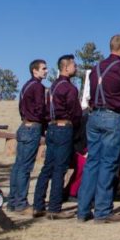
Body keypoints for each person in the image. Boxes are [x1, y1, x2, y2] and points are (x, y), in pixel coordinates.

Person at [77, 34, 120, 223]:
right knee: (109, 163)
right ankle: (103, 210)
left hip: (94, 116)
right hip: (112, 116)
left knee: (92, 162)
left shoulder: (96, 69)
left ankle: (83, 209)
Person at [34, 55, 80, 218]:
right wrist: (74, 125)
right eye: (74, 65)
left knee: (47, 167)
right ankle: (54, 207)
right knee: (60, 168)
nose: (76, 68)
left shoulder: (52, 86)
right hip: (63, 128)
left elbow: (46, 110)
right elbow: (75, 112)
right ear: (66, 67)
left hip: (52, 128)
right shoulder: (69, 88)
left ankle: (38, 205)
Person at [6, 58, 49, 214]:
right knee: (25, 167)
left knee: (18, 166)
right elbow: (40, 109)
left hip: (24, 125)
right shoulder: (37, 87)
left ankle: (12, 201)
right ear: (35, 70)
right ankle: (21, 203)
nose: (46, 71)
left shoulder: (26, 86)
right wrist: (46, 122)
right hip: (33, 127)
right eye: (43, 68)